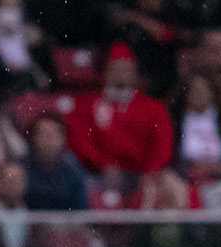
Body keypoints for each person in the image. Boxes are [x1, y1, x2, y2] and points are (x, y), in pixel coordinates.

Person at [65, 44, 173, 189]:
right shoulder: (86, 105)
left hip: (143, 175)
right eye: (116, 69)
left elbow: (162, 146)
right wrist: (103, 164)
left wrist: (151, 172)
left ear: (135, 73)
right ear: (105, 72)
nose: (121, 74)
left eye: (126, 70)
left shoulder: (154, 108)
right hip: (98, 175)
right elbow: (80, 141)